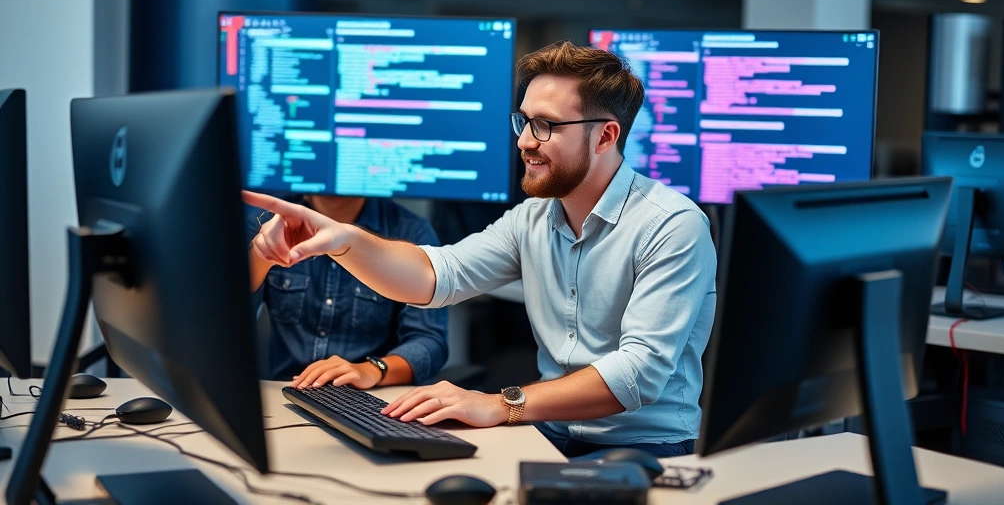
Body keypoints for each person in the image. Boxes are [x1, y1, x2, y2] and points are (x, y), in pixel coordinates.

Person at [245, 40, 717, 461]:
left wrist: (500, 403)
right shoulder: (532, 218)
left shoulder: (672, 225)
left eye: (546, 126)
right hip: (547, 433)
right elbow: (436, 276)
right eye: (524, 121)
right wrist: (343, 240)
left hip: (643, 448)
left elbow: (638, 373)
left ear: (606, 136)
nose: (525, 141)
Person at [247, 194, 448, 388]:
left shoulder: (411, 231)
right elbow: (225, 324)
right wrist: (261, 255)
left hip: (368, 396)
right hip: (284, 391)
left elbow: (429, 340)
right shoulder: (266, 223)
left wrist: (372, 369)